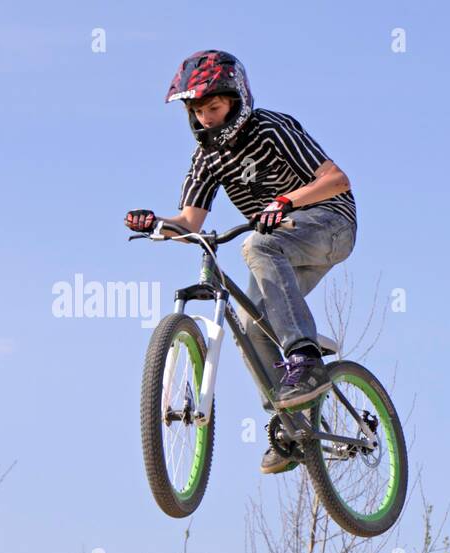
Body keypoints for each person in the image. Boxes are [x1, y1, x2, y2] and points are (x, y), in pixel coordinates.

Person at [124, 50, 357, 475]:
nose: (207, 118)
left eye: (213, 107)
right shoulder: (207, 158)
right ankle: (292, 425)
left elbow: (337, 180)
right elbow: (189, 222)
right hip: (283, 244)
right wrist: (157, 223)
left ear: (236, 99)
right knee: (251, 327)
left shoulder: (271, 128)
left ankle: (304, 359)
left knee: (255, 246)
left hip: (329, 223)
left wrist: (286, 201)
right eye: (198, 111)